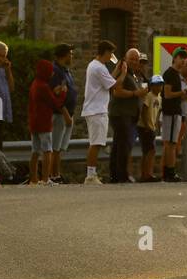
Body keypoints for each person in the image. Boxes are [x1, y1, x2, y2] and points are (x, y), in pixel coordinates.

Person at [82, 41, 128, 186]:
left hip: (94, 109)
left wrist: (116, 70)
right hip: (97, 110)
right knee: (95, 143)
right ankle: (90, 176)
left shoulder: (95, 65)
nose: (111, 56)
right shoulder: (98, 68)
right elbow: (115, 84)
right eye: (111, 53)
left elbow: (108, 80)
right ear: (106, 52)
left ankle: (91, 174)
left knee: (95, 143)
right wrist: (124, 73)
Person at [107, 48, 144, 184]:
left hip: (128, 115)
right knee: (123, 146)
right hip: (121, 115)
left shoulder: (133, 74)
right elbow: (117, 92)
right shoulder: (122, 73)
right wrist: (136, 94)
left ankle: (116, 175)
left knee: (119, 145)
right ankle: (121, 175)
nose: (134, 61)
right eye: (131, 58)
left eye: (136, 59)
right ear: (125, 59)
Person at [28, 56, 66, 186]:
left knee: (35, 151)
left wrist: (53, 92)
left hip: (34, 122)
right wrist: (62, 94)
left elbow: (45, 98)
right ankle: (45, 179)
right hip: (44, 122)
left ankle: (33, 179)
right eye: (50, 70)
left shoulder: (35, 83)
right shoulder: (43, 86)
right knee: (47, 150)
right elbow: (55, 104)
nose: (52, 73)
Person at [161, 48, 187, 182]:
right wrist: (184, 92)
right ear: (174, 58)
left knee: (172, 143)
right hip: (170, 112)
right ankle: (169, 172)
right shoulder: (170, 74)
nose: (183, 60)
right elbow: (167, 94)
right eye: (180, 57)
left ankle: (168, 171)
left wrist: (186, 93)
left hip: (175, 112)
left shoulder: (176, 74)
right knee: (170, 143)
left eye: (184, 58)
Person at [48, 43, 76, 185]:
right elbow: (55, 95)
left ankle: (56, 174)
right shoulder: (56, 71)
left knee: (59, 148)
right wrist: (65, 113)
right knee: (55, 147)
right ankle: (53, 175)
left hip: (67, 114)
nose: (72, 56)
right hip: (59, 115)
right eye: (70, 54)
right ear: (63, 55)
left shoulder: (65, 70)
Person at [138, 75, 164, 182]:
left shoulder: (160, 98)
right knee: (150, 151)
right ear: (152, 86)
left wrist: (156, 125)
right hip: (145, 127)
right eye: (156, 85)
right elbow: (144, 111)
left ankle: (146, 174)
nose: (158, 87)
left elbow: (157, 113)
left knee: (148, 151)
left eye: (160, 85)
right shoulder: (149, 96)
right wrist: (147, 125)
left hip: (152, 127)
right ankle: (146, 174)